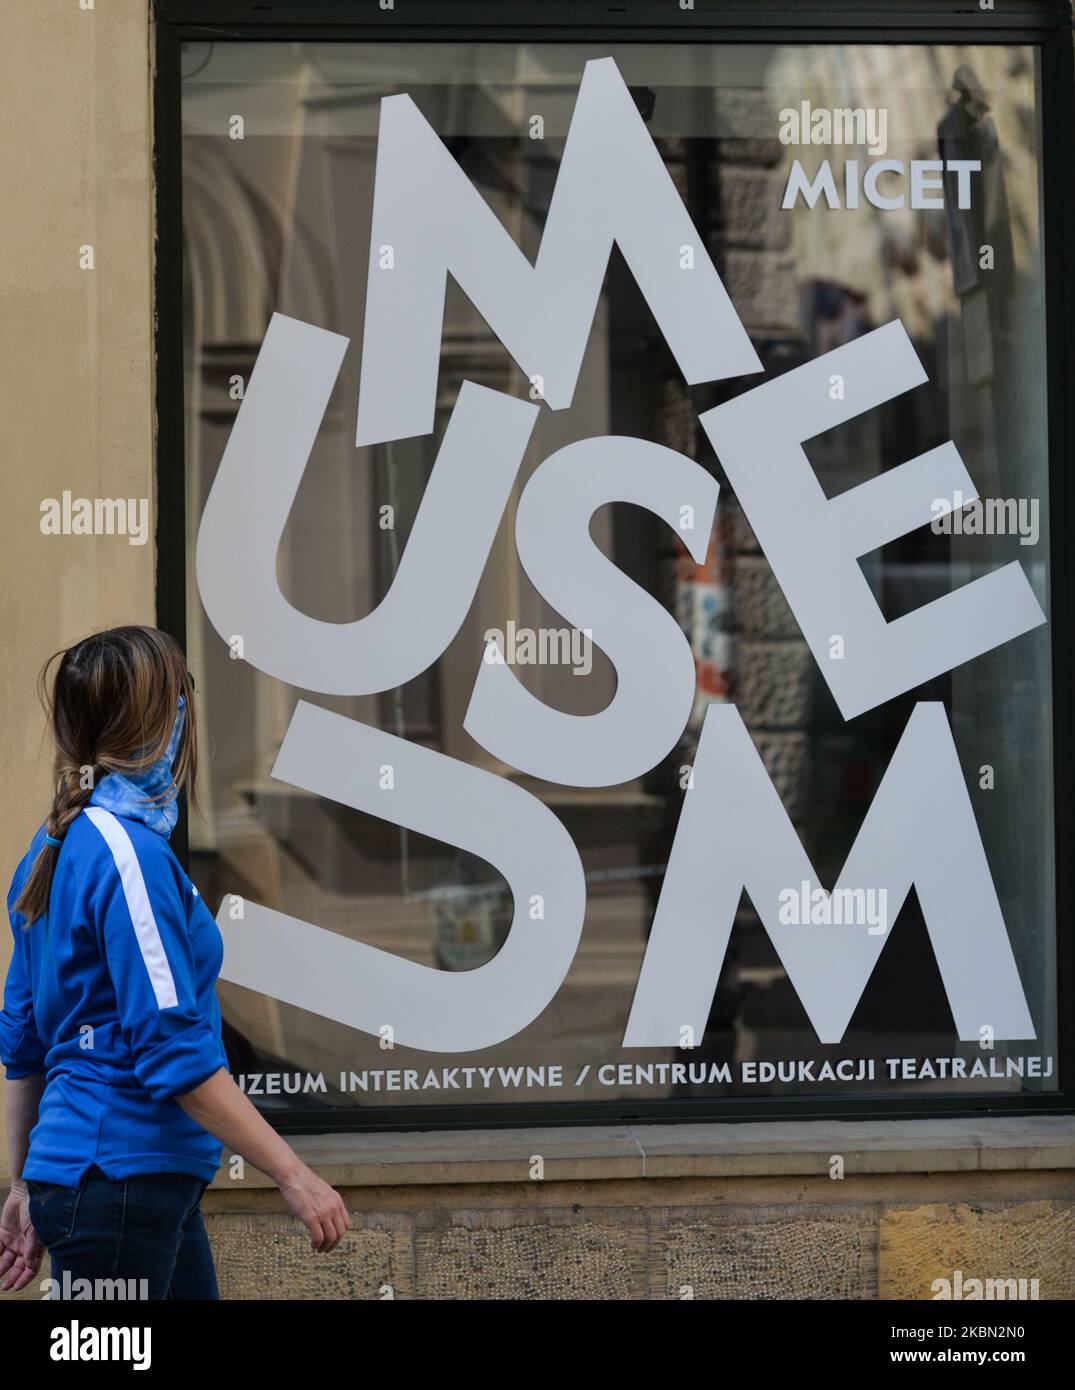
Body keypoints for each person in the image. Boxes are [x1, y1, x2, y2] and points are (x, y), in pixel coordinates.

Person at [0, 625, 350, 1298]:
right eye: (182, 694)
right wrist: (293, 1175)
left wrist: (25, 1181)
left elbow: (23, 1041)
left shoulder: (50, 850)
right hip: (119, 1180)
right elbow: (174, 1054)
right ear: (160, 719)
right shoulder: (128, 857)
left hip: (123, 1184)